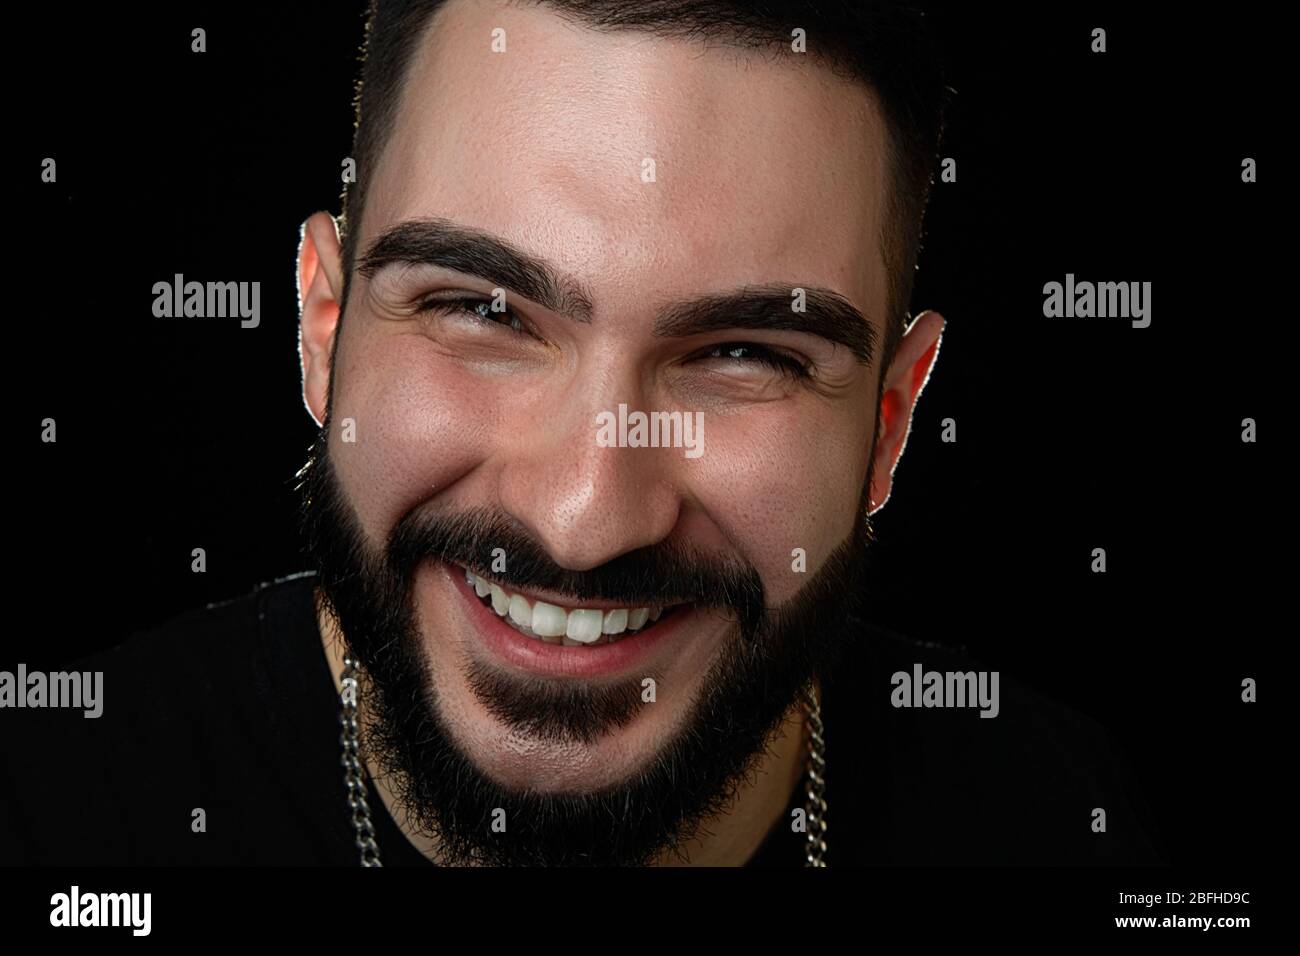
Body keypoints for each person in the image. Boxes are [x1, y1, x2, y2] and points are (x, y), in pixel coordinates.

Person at [0, 0, 1160, 867]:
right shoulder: (56, 811)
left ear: (888, 428)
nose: (585, 515)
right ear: (322, 328)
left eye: (745, 354)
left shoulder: (1064, 817)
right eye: (484, 311)